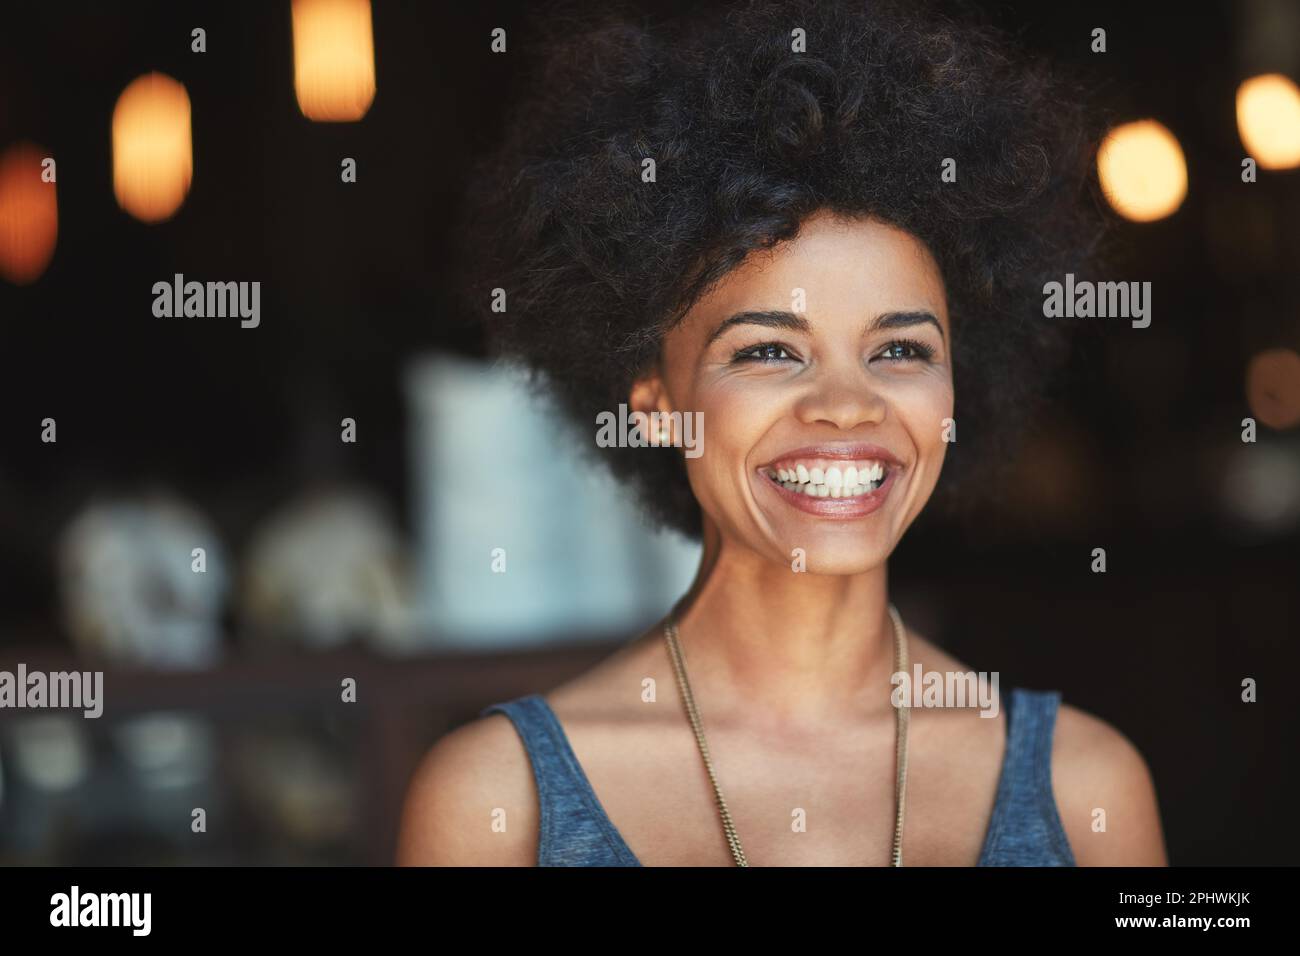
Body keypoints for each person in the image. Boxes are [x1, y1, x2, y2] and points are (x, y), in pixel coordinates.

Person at [397, 0, 1167, 866]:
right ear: (652, 394)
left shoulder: (1084, 789)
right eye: (768, 349)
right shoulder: (499, 803)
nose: (847, 405)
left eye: (901, 348)